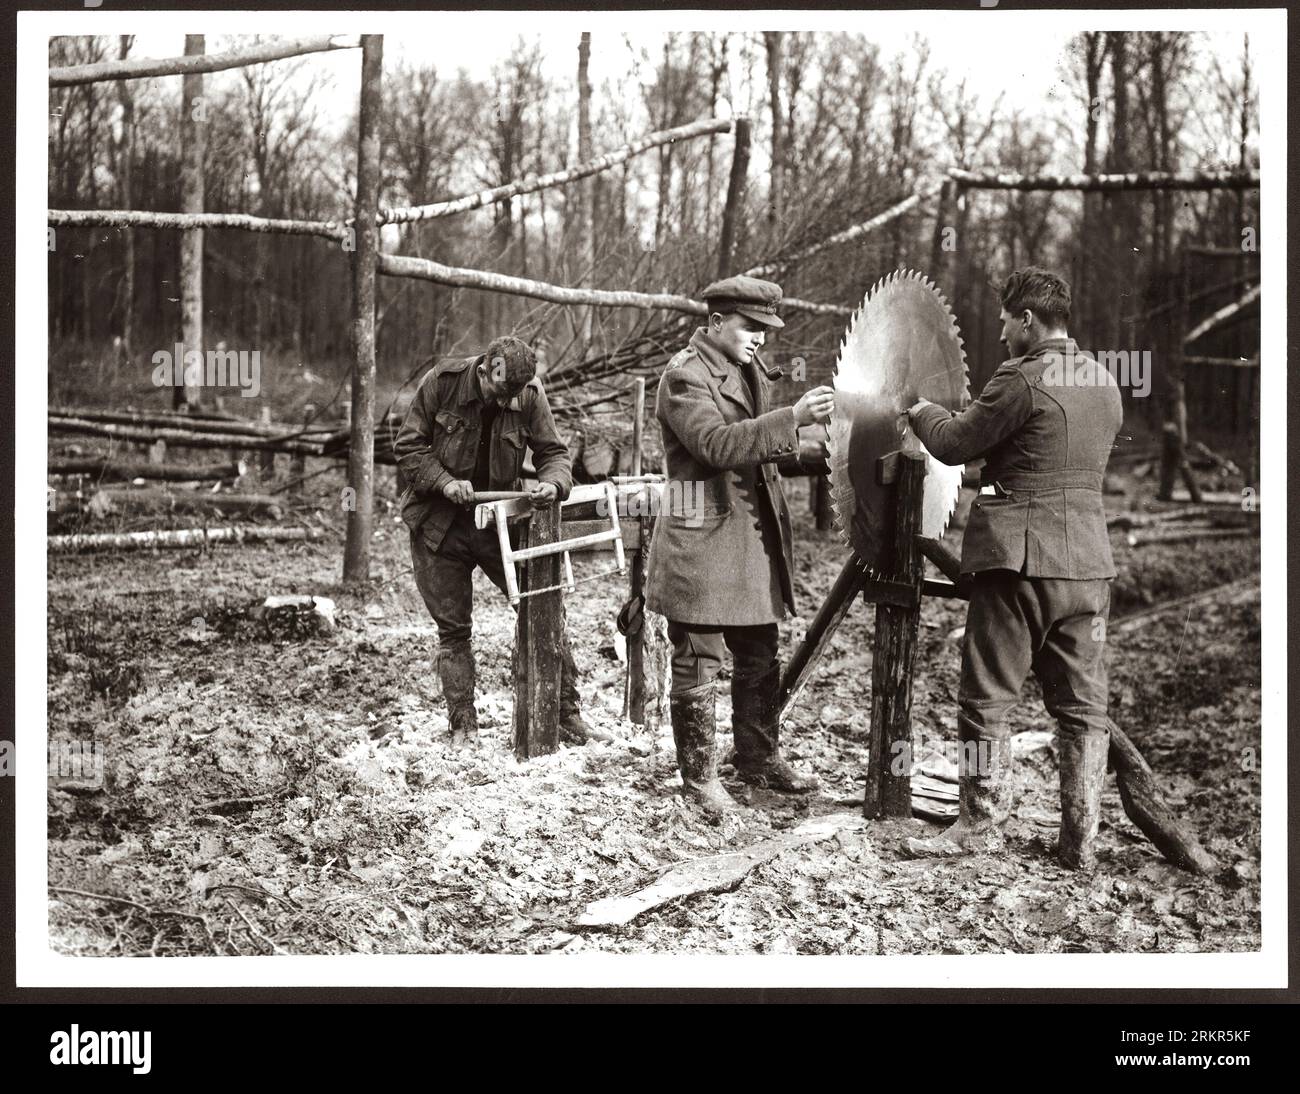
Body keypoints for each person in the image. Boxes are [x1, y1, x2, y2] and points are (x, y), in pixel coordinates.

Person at [903, 267, 1123, 870]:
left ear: (1027, 320)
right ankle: (1080, 842)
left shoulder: (1022, 378)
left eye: (1005, 320)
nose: (1001, 334)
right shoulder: (1103, 382)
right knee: (1083, 707)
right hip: (1088, 567)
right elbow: (1051, 458)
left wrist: (917, 408)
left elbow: (952, 443)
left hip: (1021, 562)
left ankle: (979, 825)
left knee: (987, 698)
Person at [645, 275, 835, 815]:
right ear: (715, 322)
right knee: (699, 657)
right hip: (701, 537)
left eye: (766, 330)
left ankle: (757, 758)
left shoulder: (745, 370)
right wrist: (792, 418)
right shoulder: (684, 377)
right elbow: (716, 445)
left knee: (759, 652)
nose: (760, 339)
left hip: (747, 538)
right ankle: (700, 780)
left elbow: (760, 448)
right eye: (751, 327)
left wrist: (823, 452)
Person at [394, 335, 611, 748]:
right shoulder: (442, 382)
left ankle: (567, 713)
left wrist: (553, 483)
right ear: (483, 370)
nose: (503, 401)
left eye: (511, 395)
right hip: (438, 525)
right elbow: (408, 447)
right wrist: (443, 482)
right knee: (454, 630)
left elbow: (554, 453)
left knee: (542, 605)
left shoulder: (528, 394)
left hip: (497, 525)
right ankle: (463, 724)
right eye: (499, 391)